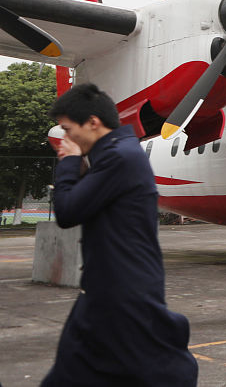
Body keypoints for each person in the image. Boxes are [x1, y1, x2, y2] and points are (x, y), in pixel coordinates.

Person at [43, 83, 198, 386]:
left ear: (92, 123)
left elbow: (68, 210)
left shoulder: (120, 158)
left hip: (125, 295)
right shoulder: (116, 155)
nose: (65, 139)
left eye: (67, 129)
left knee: (160, 372)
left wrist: (70, 162)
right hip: (104, 292)